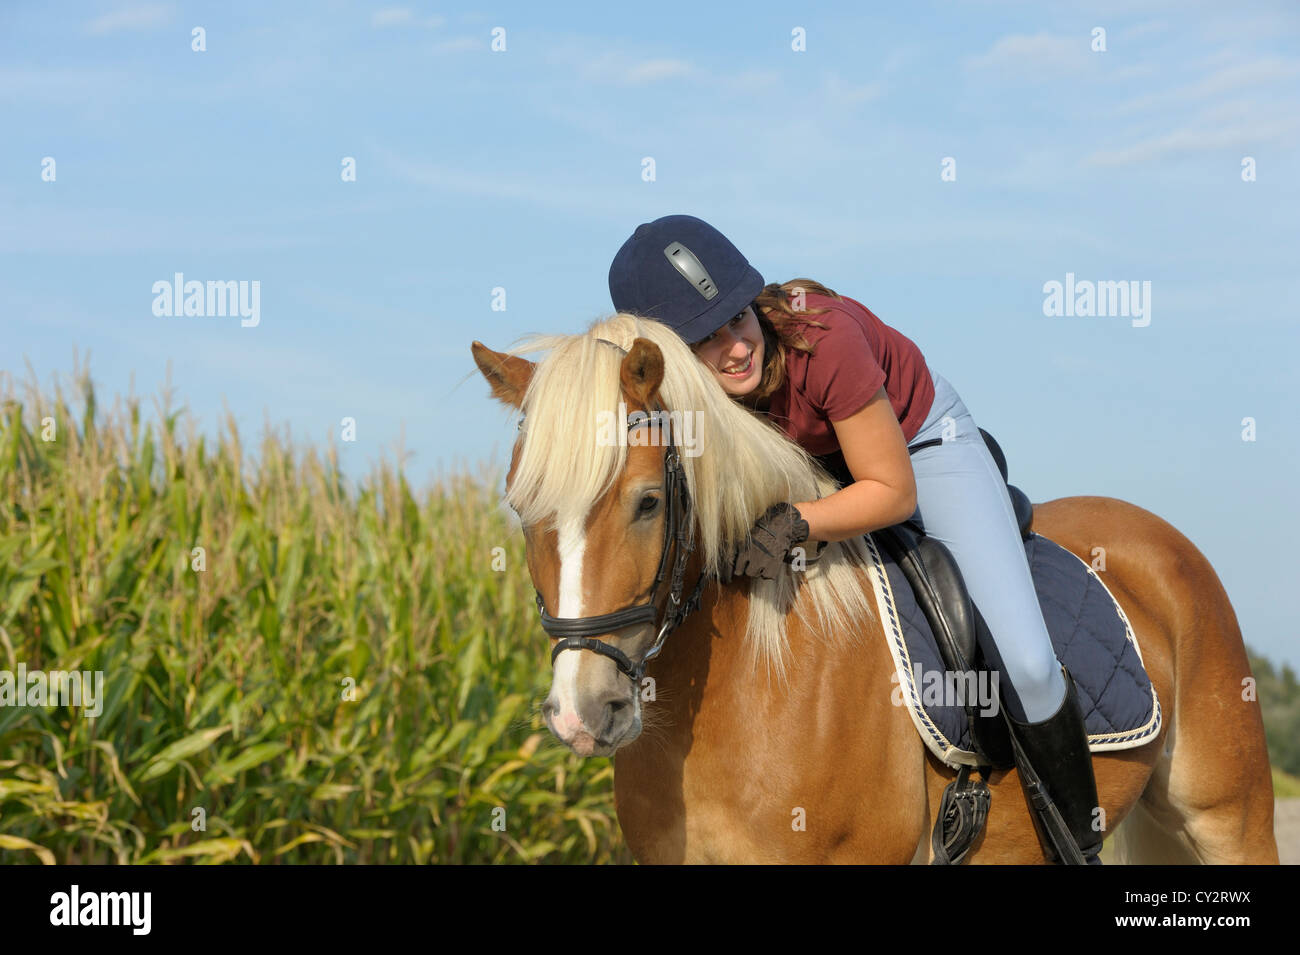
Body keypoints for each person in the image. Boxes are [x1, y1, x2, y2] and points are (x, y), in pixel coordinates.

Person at [607, 214, 1102, 864]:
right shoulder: (679, 398)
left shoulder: (824, 338)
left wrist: (798, 521)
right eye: (705, 338)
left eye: (737, 318)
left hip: (916, 447)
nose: (735, 347)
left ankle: (1079, 847)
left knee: (1030, 665)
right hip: (813, 463)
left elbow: (891, 493)